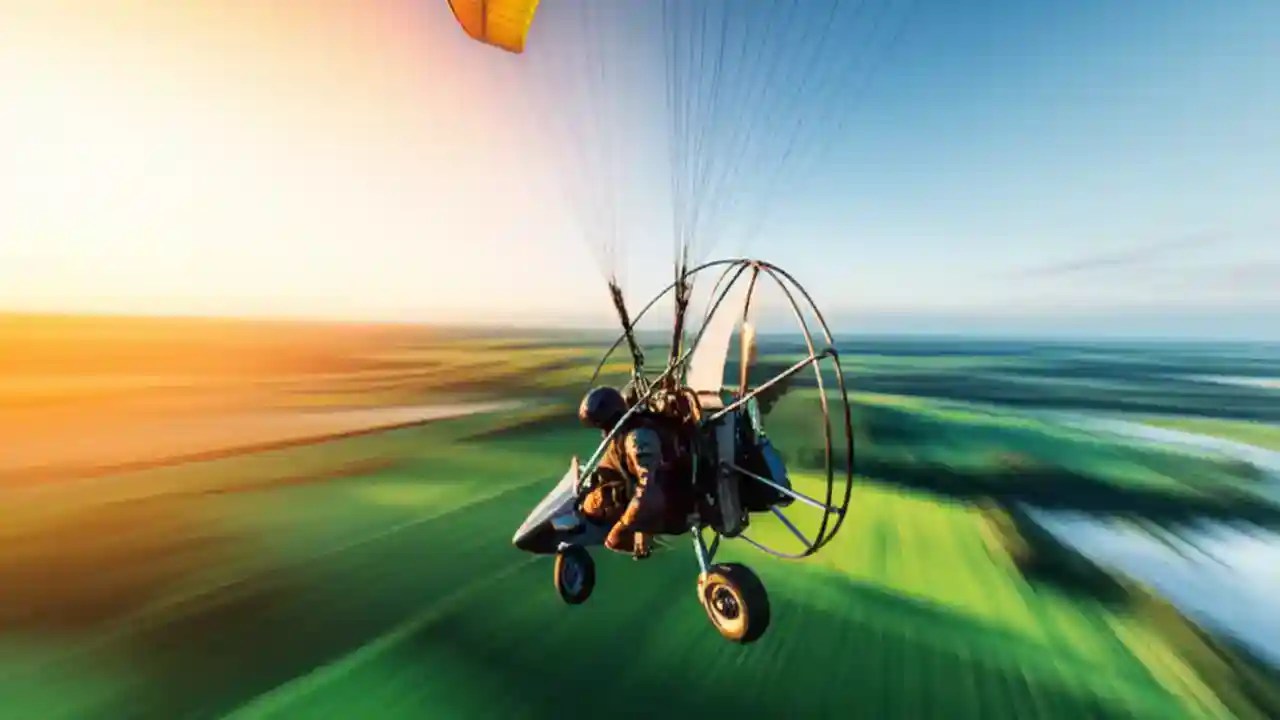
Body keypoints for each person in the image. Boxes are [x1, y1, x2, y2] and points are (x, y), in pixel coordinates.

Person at [577, 386, 680, 559]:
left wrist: (635, 526)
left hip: (664, 500)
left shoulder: (638, 439)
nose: (603, 432)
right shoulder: (622, 436)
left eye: (601, 425)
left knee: (613, 539)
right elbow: (612, 465)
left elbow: (649, 490)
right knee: (593, 499)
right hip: (647, 493)